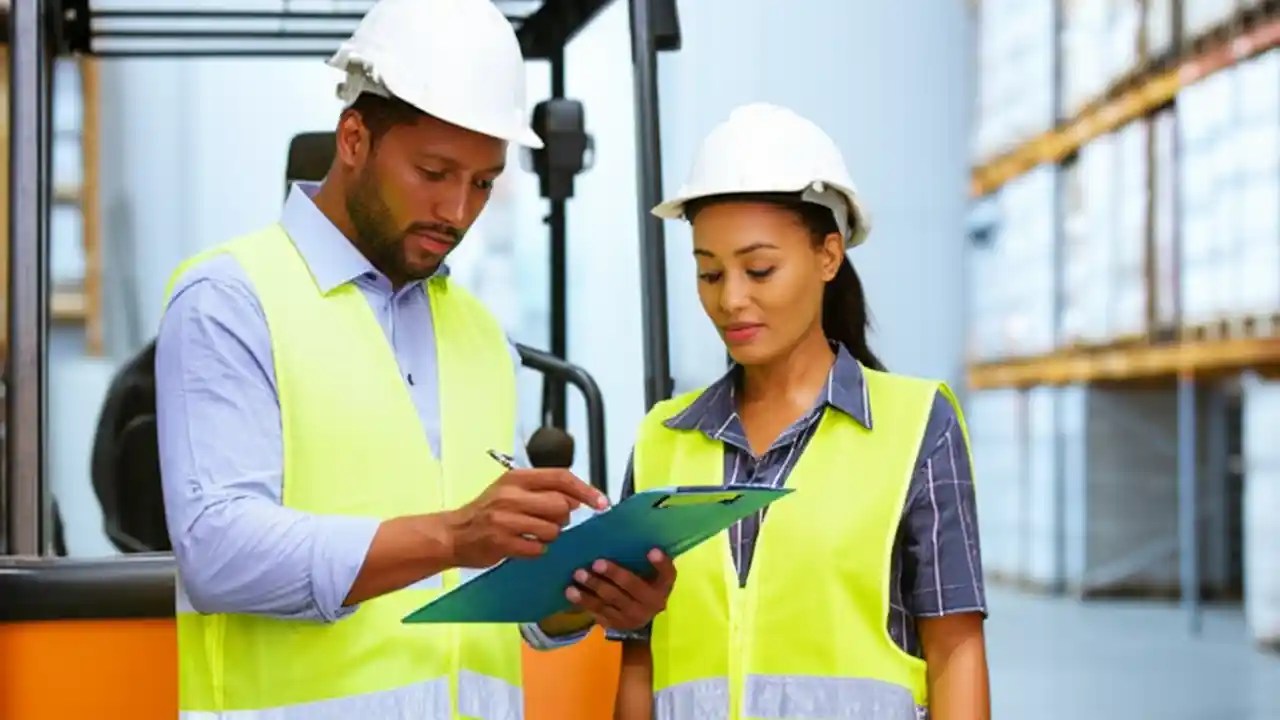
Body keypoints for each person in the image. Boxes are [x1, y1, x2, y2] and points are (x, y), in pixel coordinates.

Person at [153, 0, 674, 717]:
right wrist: (453, 535)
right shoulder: (229, 299)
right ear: (355, 138)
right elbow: (217, 553)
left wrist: (584, 594)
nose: (457, 211)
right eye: (434, 171)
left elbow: (506, 597)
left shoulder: (480, 336)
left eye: (484, 183)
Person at [598, 103, 991, 719]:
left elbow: (956, 651)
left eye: (760, 270)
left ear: (828, 256)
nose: (731, 300)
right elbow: (639, 660)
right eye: (709, 273)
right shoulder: (661, 442)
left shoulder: (916, 426)